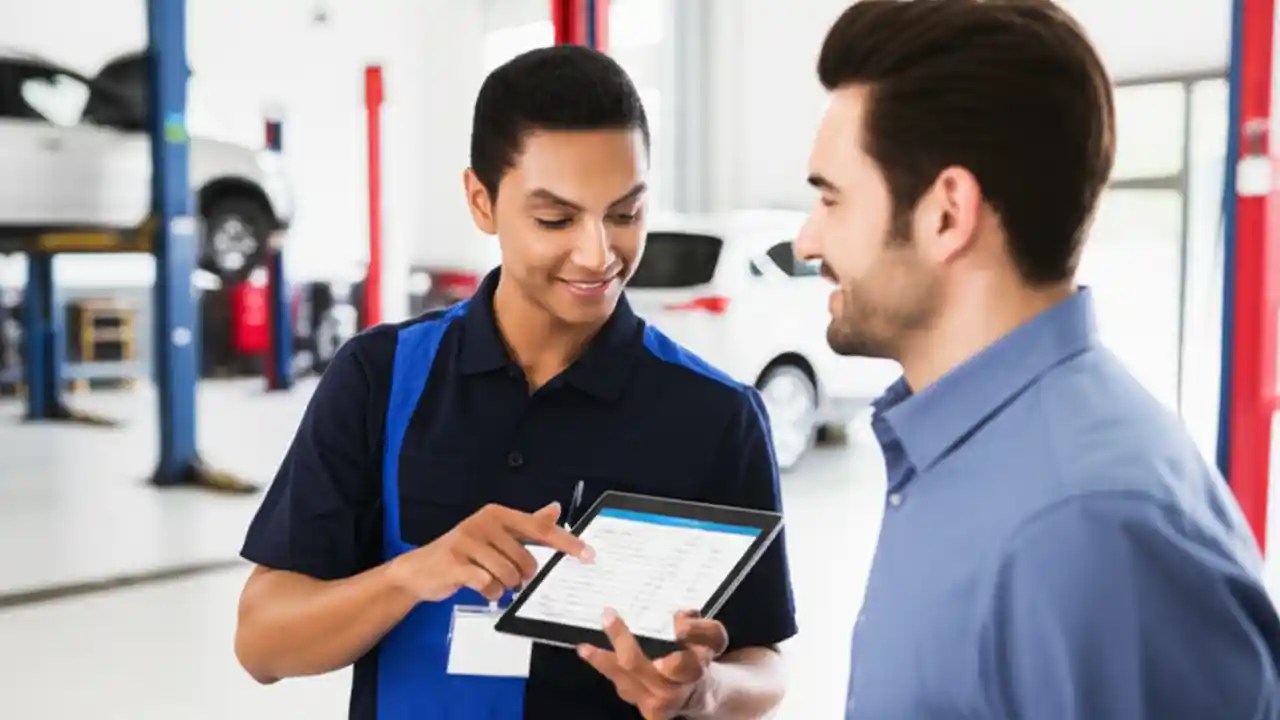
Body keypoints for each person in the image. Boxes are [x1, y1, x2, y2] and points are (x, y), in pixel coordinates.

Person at [233, 45, 795, 720]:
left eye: (624, 213)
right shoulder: (380, 378)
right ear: (481, 200)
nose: (598, 254)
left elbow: (762, 663)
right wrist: (411, 574)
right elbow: (262, 642)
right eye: (556, 219)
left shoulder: (716, 415)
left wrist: (704, 691)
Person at [796, 1, 1280, 718]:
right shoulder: (964, 450)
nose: (807, 242)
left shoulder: (1083, 528)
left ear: (946, 214)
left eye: (831, 201)